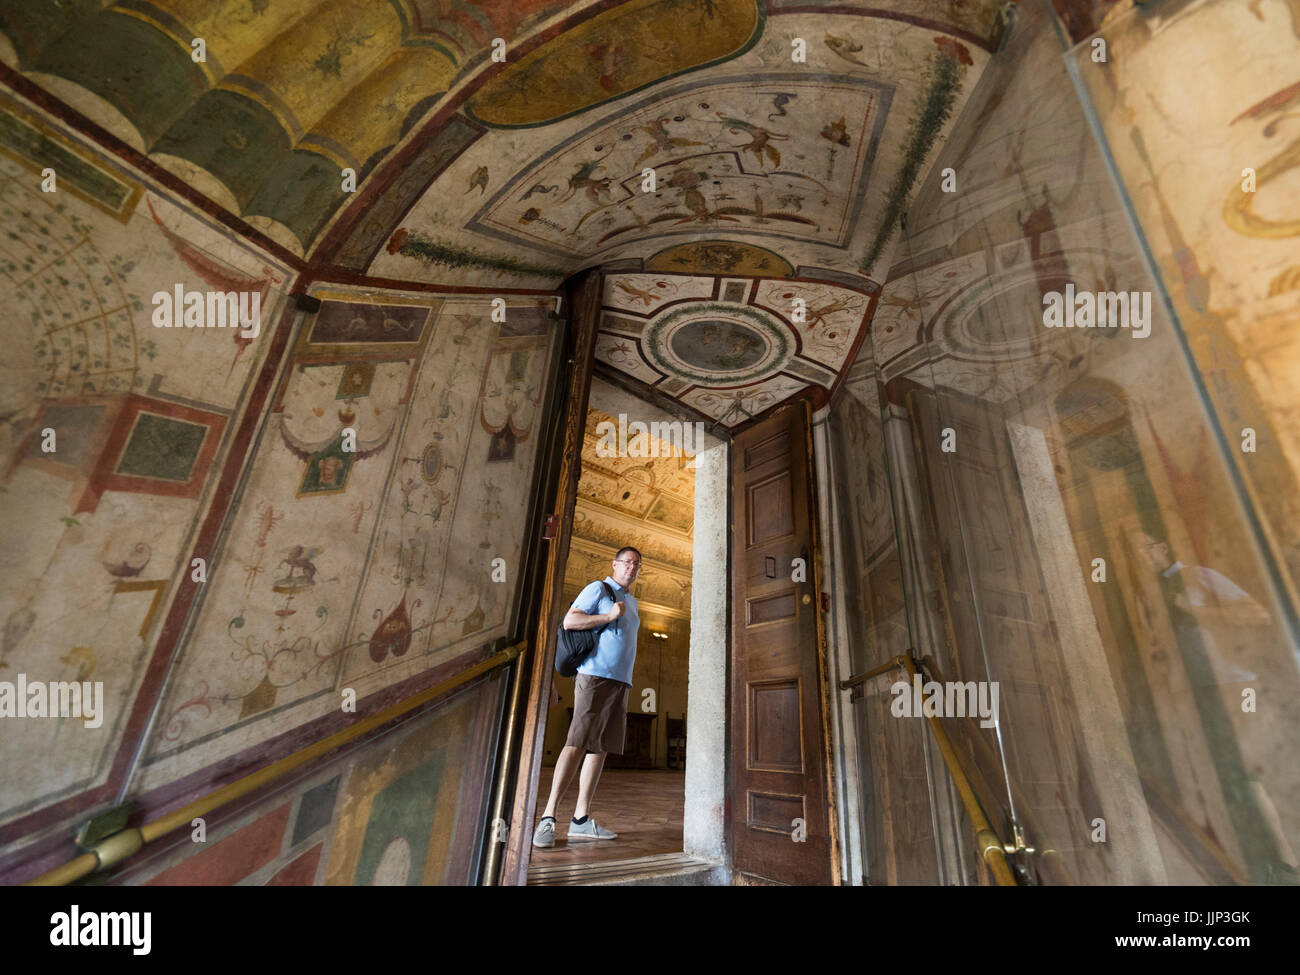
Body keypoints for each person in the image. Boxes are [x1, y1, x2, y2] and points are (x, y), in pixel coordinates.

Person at [533, 547, 641, 848]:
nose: (632, 568)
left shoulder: (631, 601)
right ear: (615, 565)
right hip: (595, 677)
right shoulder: (599, 588)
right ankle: (548, 817)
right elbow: (570, 621)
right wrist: (608, 615)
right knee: (577, 743)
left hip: (621, 683)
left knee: (600, 748)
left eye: (637, 565)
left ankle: (580, 820)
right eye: (627, 563)